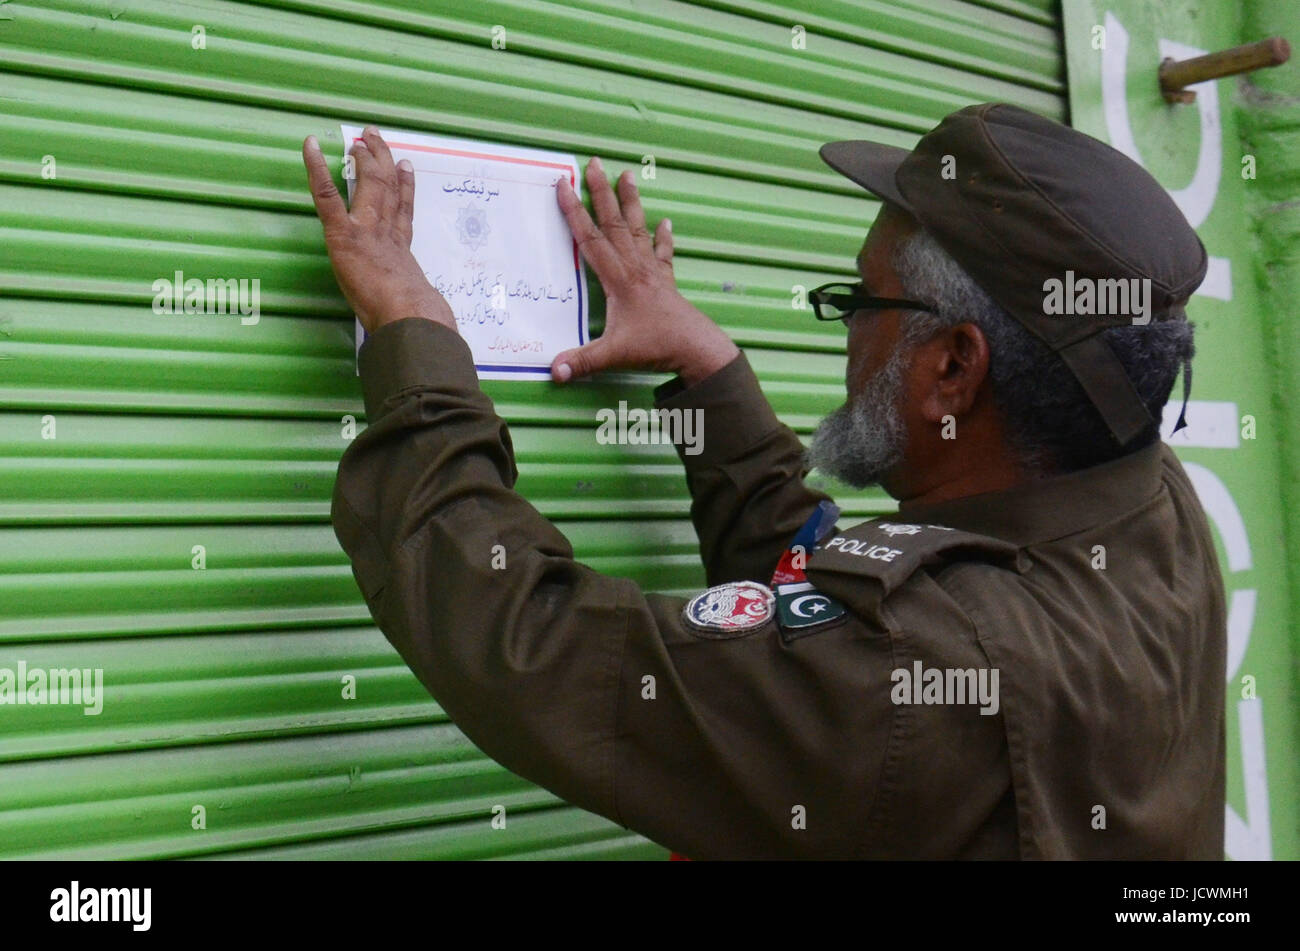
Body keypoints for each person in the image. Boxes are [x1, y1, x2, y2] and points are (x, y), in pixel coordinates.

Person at [301, 102, 1226, 860]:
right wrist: (709, 378)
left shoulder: (923, 675)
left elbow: (533, 650)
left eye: (861, 300)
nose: (846, 331)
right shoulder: (1150, 506)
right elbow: (830, 617)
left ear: (953, 369)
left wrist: (416, 338)